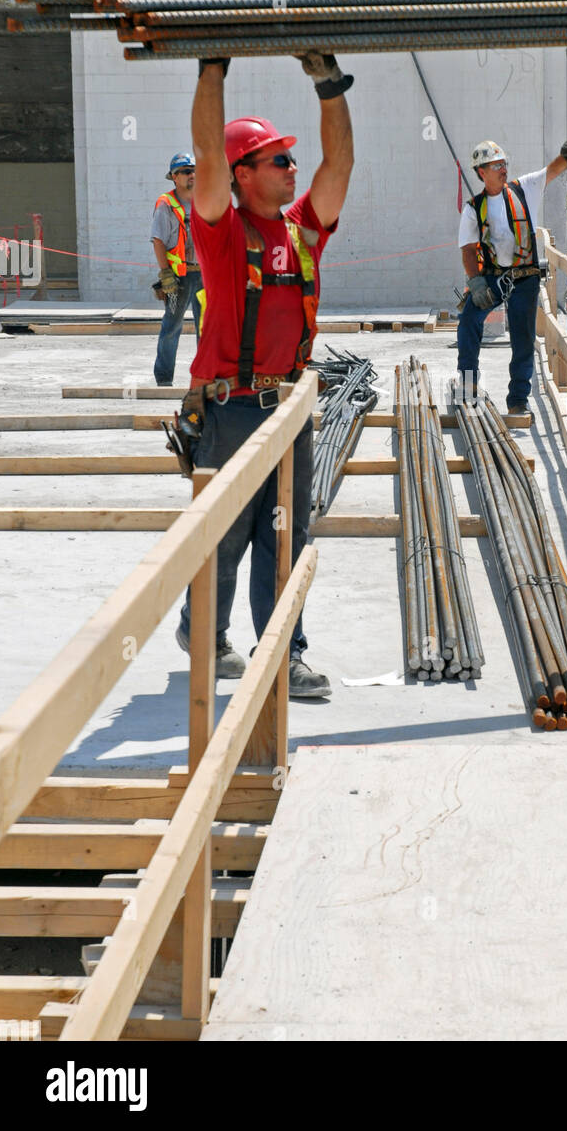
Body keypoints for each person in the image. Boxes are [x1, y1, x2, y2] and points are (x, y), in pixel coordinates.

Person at [174, 52, 353, 693]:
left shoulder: (302, 231)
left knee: (284, 532)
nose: (292, 169)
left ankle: (283, 650)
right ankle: (205, 632)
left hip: (289, 408)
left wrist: (329, 88)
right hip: (230, 409)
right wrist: (212, 70)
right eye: (278, 160)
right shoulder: (222, 232)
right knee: (226, 535)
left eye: (289, 159)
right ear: (242, 175)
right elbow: (206, 153)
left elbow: (339, 166)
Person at [456, 138, 567, 414]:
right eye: (496, 165)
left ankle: (518, 400)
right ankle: (468, 387)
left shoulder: (524, 189)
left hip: (524, 277)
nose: (502, 169)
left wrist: (566, 156)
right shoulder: (474, 208)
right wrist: (475, 284)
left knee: (522, 337)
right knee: (468, 323)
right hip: (492, 277)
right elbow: (467, 249)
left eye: (504, 163)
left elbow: (552, 171)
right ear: (481, 172)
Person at [151, 153, 204, 386]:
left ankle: (206, 377)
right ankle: (163, 379)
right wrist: (165, 274)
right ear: (174, 177)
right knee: (172, 326)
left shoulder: (206, 200)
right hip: (178, 277)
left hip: (205, 275)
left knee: (207, 327)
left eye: (194, 170)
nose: (192, 175)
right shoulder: (166, 204)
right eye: (185, 171)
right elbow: (158, 240)